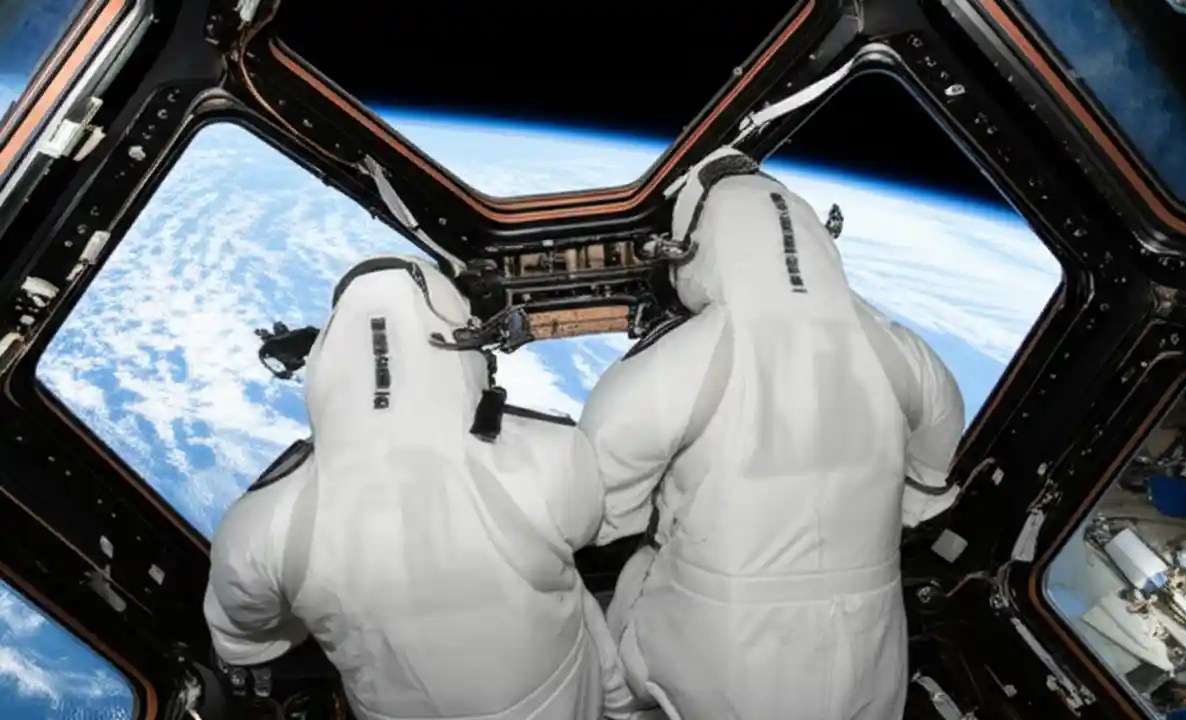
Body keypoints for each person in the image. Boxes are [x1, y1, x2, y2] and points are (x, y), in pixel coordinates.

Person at [578, 148, 966, 720]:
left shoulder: (673, 365)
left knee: (634, 594)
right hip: (867, 648)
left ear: (696, 250)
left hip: (720, 652)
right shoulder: (907, 356)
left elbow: (600, 511)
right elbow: (926, 488)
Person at [203, 254, 641, 720]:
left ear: (325, 366)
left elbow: (244, 641)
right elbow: (592, 522)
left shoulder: (262, 527)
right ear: (463, 349)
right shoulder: (549, 455)